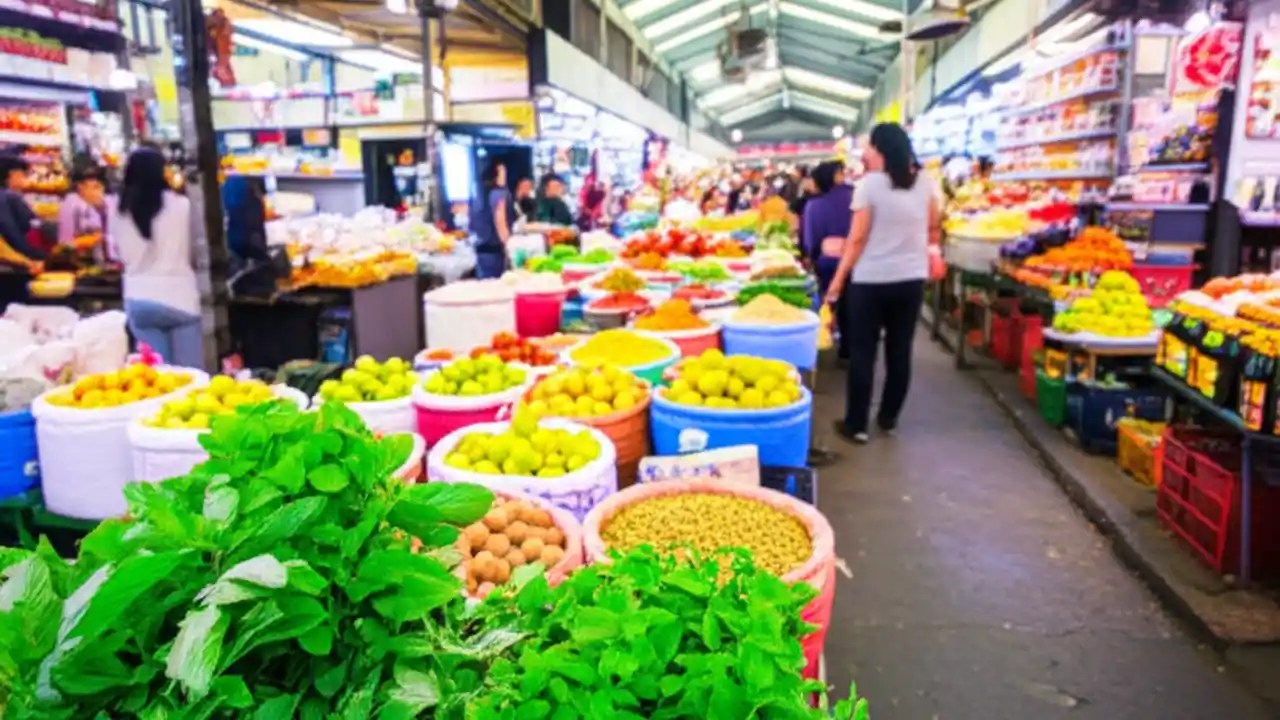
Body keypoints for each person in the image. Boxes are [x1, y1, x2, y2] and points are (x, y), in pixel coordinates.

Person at [824, 123, 941, 444]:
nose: (865, 152)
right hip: (910, 280)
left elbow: (857, 239)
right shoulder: (925, 184)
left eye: (870, 147)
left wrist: (837, 281)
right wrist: (929, 254)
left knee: (863, 353)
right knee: (899, 351)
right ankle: (889, 418)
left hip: (871, 281)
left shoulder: (869, 186)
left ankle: (857, 425)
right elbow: (934, 227)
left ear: (881, 150)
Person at [113, 146, 204, 368]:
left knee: (158, 380)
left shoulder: (118, 211)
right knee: (190, 380)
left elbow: (117, 253)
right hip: (181, 299)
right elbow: (197, 250)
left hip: (139, 298)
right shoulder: (182, 205)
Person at [803, 160, 853, 359]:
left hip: (828, 262)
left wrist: (812, 257)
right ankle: (850, 346)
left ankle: (827, 336)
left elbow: (811, 239)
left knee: (830, 300)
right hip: (857, 259)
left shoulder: (814, 205)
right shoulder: (856, 196)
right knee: (853, 303)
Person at [470, 160, 513, 279]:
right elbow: (500, 222)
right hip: (496, 252)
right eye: (502, 172)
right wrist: (510, 247)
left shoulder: (479, 195)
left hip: (481, 252)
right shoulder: (499, 194)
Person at [57, 162, 108, 251]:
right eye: (95, 187)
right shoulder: (72, 205)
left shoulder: (97, 203)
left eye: (101, 187)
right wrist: (94, 239)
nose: (100, 192)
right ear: (80, 187)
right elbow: (66, 245)